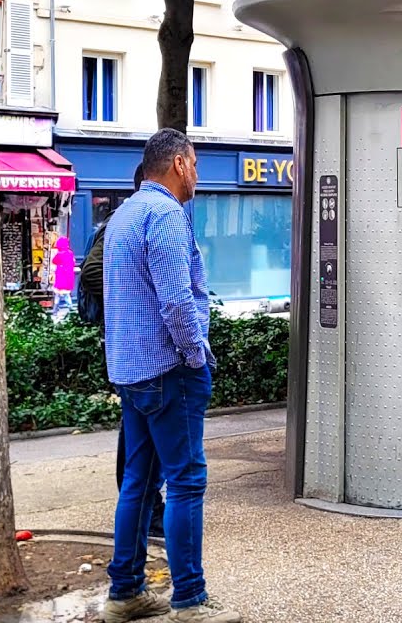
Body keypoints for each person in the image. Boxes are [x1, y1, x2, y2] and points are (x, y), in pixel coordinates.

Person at [102, 129, 238, 623]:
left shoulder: (124, 214)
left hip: (131, 372)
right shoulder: (165, 215)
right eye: (196, 163)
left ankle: (125, 593)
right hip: (169, 372)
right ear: (179, 164)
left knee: (138, 480)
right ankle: (190, 600)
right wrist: (197, 356)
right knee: (185, 481)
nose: (198, 173)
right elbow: (178, 301)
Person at [77, 164, 167, 538]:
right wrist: (132, 303)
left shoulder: (130, 220)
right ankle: (146, 506)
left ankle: (144, 506)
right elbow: (92, 273)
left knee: (139, 426)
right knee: (137, 428)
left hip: (128, 341)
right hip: (131, 341)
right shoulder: (125, 222)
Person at [51, 236, 76, 320]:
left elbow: (54, 261)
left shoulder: (59, 254)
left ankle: (55, 309)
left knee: (58, 294)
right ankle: (71, 309)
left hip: (60, 277)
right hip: (68, 276)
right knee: (66, 294)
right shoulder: (70, 253)